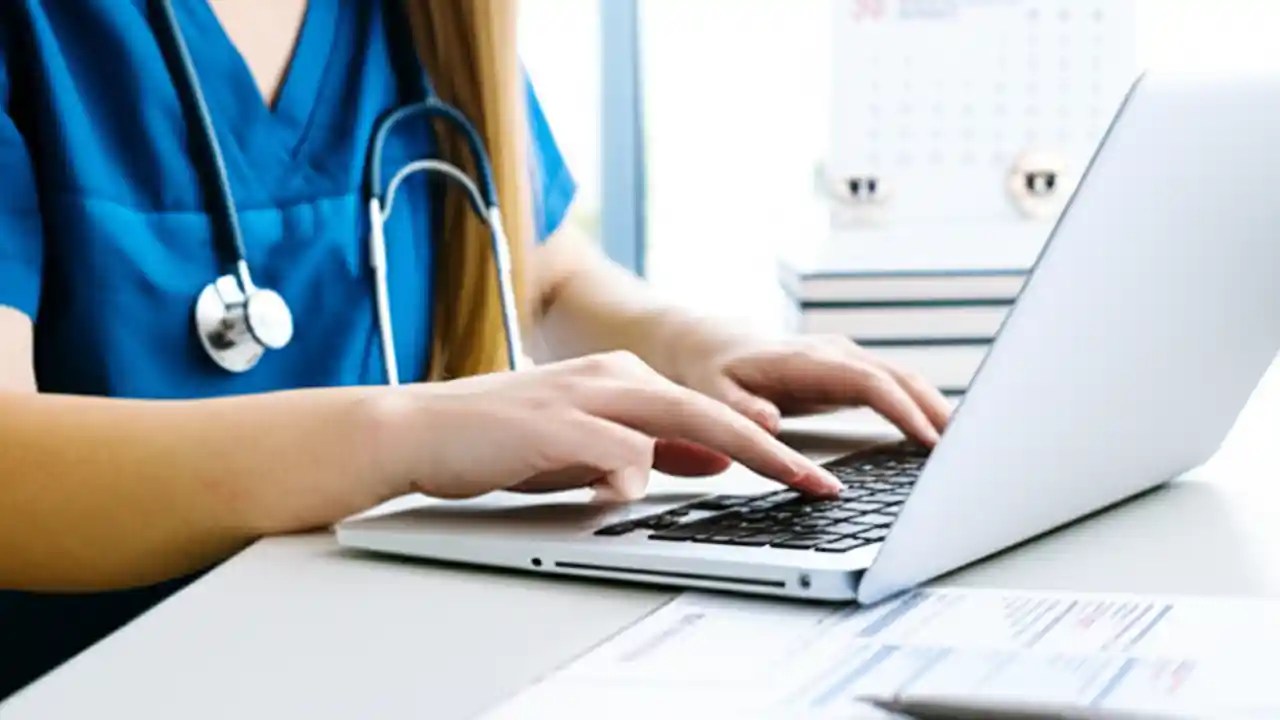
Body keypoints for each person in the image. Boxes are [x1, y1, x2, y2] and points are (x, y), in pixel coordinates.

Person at [0, 0, 951, 699]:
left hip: (388, 666)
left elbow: (539, 265)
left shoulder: (426, 17)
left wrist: (688, 342)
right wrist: (401, 436)